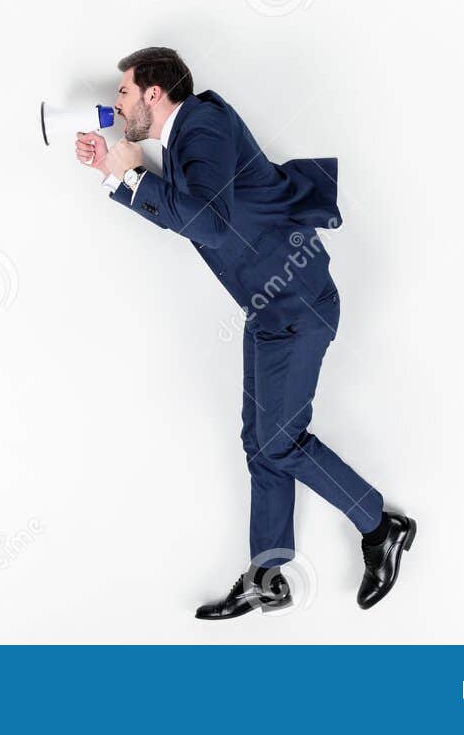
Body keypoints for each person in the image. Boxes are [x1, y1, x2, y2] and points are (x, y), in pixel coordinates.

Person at [76, 46, 414, 619]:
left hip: (298, 303)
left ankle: (381, 526)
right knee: (261, 442)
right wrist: (116, 175)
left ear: (154, 93)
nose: (117, 104)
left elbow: (207, 223)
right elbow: (188, 214)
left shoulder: (203, 124)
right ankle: (268, 576)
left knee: (279, 441)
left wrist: (130, 172)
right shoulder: (185, 137)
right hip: (269, 308)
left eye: (124, 92)